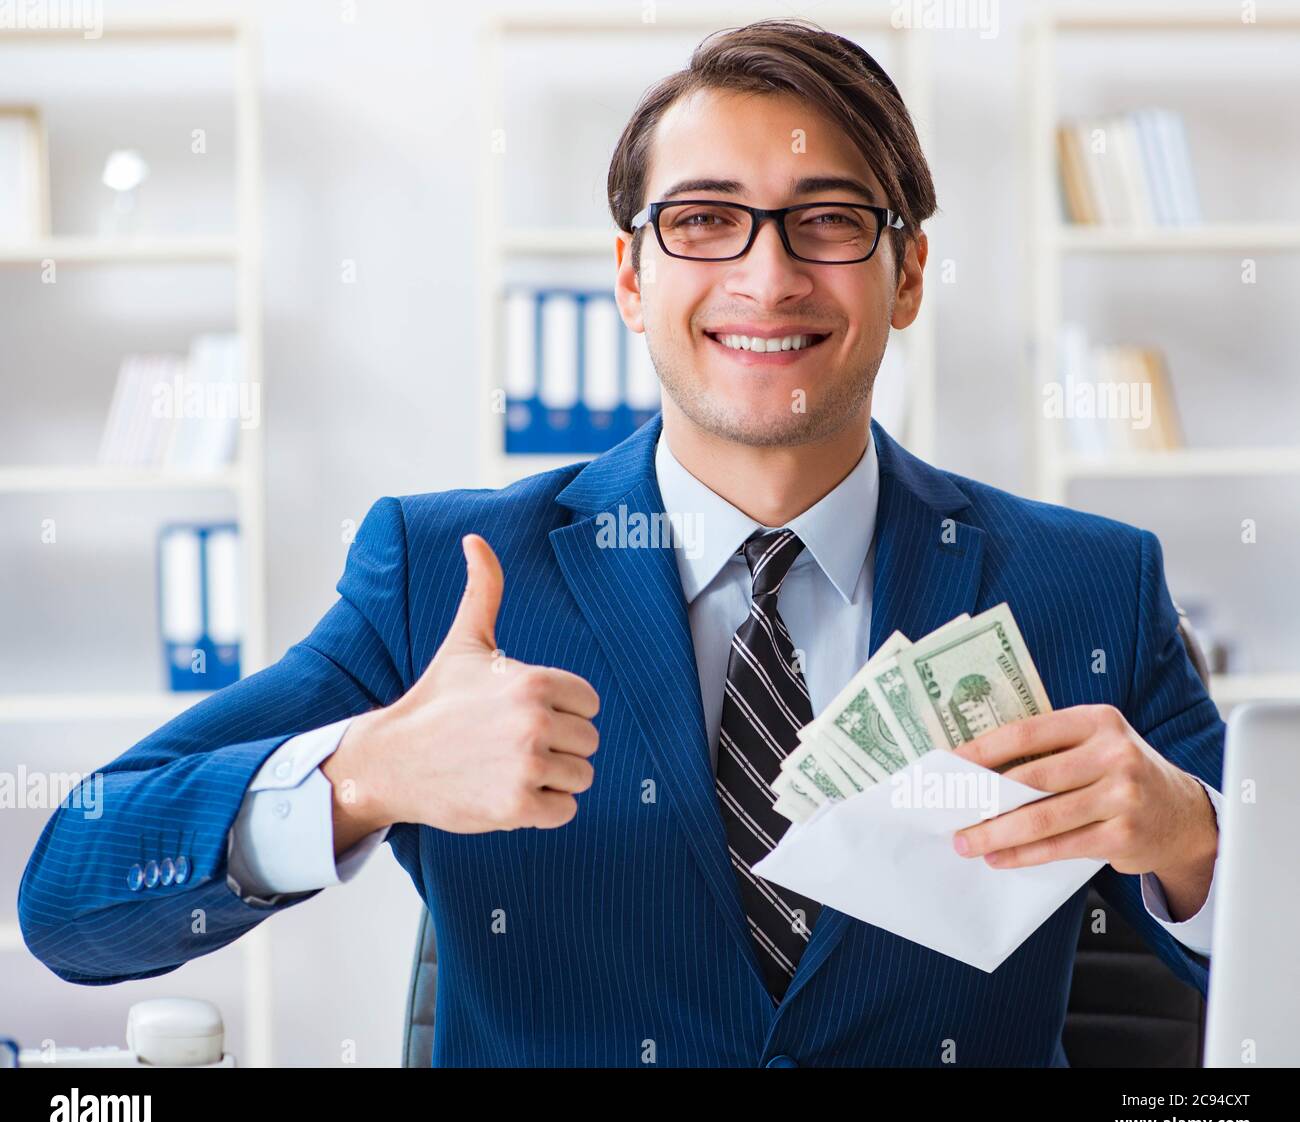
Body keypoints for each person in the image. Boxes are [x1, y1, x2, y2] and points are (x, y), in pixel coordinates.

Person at [19, 19, 1222, 1067]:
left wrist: (1194, 840)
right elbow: (72, 892)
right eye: (705, 221)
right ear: (631, 279)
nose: (768, 275)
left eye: (829, 222)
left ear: (906, 273)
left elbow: (1265, 973)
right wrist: (361, 777)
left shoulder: (1090, 586)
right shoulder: (443, 574)